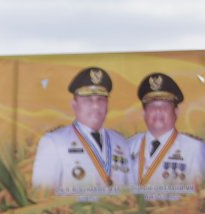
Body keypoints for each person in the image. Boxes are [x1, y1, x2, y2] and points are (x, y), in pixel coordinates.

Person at [31, 66, 131, 195]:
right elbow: (41, 198)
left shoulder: (121, 142)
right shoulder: (54, 142)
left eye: (100, 99)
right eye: (88, 100)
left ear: (107, 105)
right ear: (74, 105)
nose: (95, 106)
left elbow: (132, 196)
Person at [128, 72, 205, 196]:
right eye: (152, 107)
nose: (158, 112)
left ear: (176, 112)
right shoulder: (127, 146)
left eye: (164, 107)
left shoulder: (195, 148)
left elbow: (204, 199)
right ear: (143, 113)